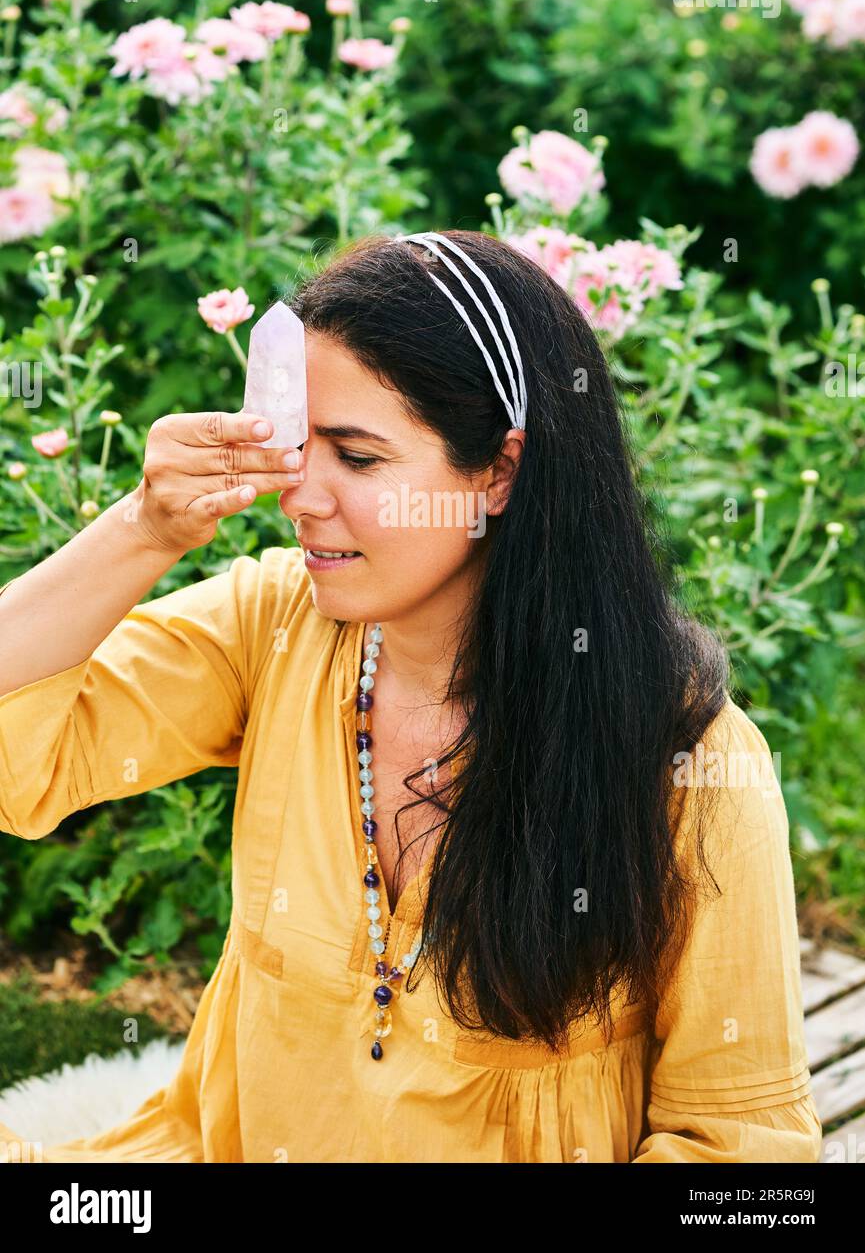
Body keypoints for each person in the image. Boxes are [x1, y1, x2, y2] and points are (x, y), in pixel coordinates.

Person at [0, 229, 822, 1163]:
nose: (300, 496)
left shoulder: (686, 756)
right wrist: (142, 529)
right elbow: (17, 752)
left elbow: (744, 1152)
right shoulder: (278, 626)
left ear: (499, 473)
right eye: (297, 447)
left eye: (354, 457)